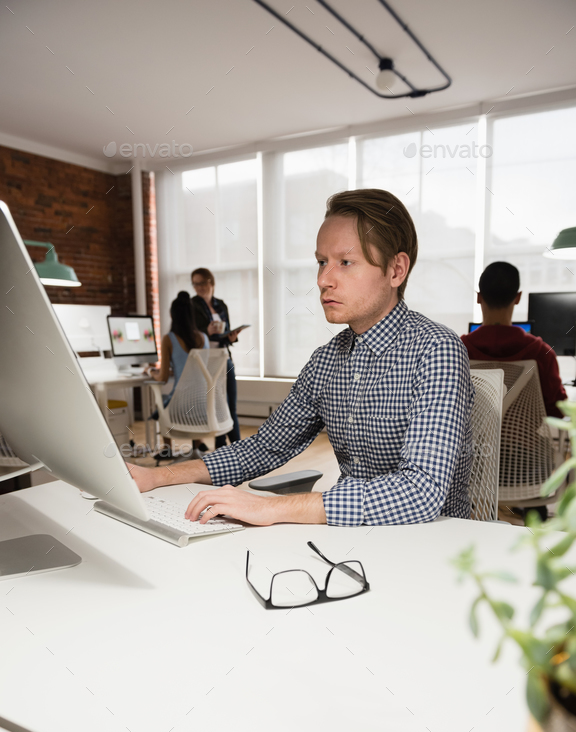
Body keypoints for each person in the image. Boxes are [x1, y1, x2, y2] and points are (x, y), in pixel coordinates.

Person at [131, 188, 474, 527]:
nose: (323, 280)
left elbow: (419, 492)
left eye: (345, 263)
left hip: (431, 541)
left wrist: (271, 508)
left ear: (396, 270)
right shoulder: (326, 361)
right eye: (322, 262)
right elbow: (265, 447)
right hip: (354, 537)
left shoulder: (436, 350)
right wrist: (157, 476)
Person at [461, 262, 566, 418]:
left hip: (473, 435)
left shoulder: (457, 350)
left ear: (478, 297)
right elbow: (558, 410)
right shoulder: (542, 353)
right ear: (518, 297)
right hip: (526, 434)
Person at [147, 291, 209, 460]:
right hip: (205, 407)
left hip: (181, 410)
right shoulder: (204, 338)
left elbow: (162, 378)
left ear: (172, 315)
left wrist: (150, 372)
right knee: (190, 397)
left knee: (162, 402)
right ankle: (199, 443)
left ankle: (167, 449)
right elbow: (198, 371)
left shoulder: (169, 339)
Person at [191, 268, 242, 448]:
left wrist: (232, 337)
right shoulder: (192, 305)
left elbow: (226, 331)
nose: (199, 287)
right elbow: (190, 334)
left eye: (202, 283)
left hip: (223, 356)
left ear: (210, 282)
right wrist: (206, 331)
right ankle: (235, 447)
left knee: (230, 404)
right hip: (205, 360)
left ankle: (229, 447)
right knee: (215, 406)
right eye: (195, 284)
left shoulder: (221, 304)